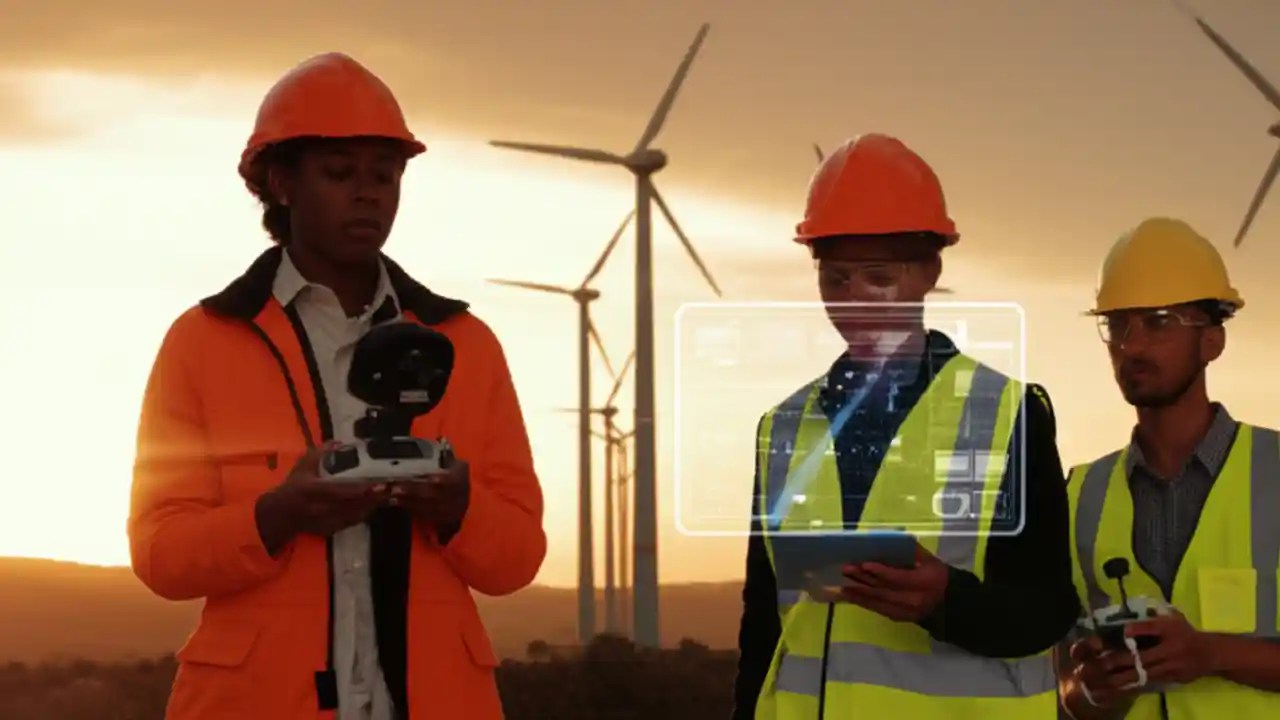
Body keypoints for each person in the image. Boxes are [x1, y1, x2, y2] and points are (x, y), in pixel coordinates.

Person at [127, 52, 546, 720]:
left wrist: (458, 509)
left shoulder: (466, 344)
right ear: (281, 181)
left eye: (385, 174)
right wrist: (278, 514)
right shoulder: (203, 342)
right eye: (340, 172)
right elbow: (161, 555)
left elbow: (518, 558)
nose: (368, 193)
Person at [731, 133, 1080, 719]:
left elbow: (1048, 609)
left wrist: (946, 601)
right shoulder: (783, 429)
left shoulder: (1006, 415)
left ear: (929, 271)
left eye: (878, 277)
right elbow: (764, 620)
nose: (853, 301)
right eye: (835, 279)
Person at [1057, 217, 1280, 719]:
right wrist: (1095, 690)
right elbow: (1068, 689)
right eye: (1118, 325)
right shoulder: (1081, 495)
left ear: (1213, 341)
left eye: (1159, 322)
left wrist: (1213, 654)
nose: (1131, 346)